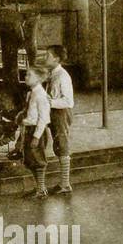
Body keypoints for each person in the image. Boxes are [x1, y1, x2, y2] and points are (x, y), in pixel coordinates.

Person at [42, 46, 75, 194]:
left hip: (60, 113)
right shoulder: (51, 74)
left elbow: (68, 101)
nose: (45, 58)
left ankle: (65, 184)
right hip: (52, 112)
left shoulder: (62, 76)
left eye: (48, 56)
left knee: (62, 145)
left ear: (56, 59)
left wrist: (49, 102)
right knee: (56, 145)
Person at [19, 65, 52, 199]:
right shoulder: (31, 93)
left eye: (29, 75)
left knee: (38, 160)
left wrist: (36, 136)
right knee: (30, 160)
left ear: (38, 79)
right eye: (26, 75)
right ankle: (39, 187)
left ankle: (41, 190)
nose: (25, 77)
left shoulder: (41, 95)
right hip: (28, 129)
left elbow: (43, 118)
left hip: (36, 131)